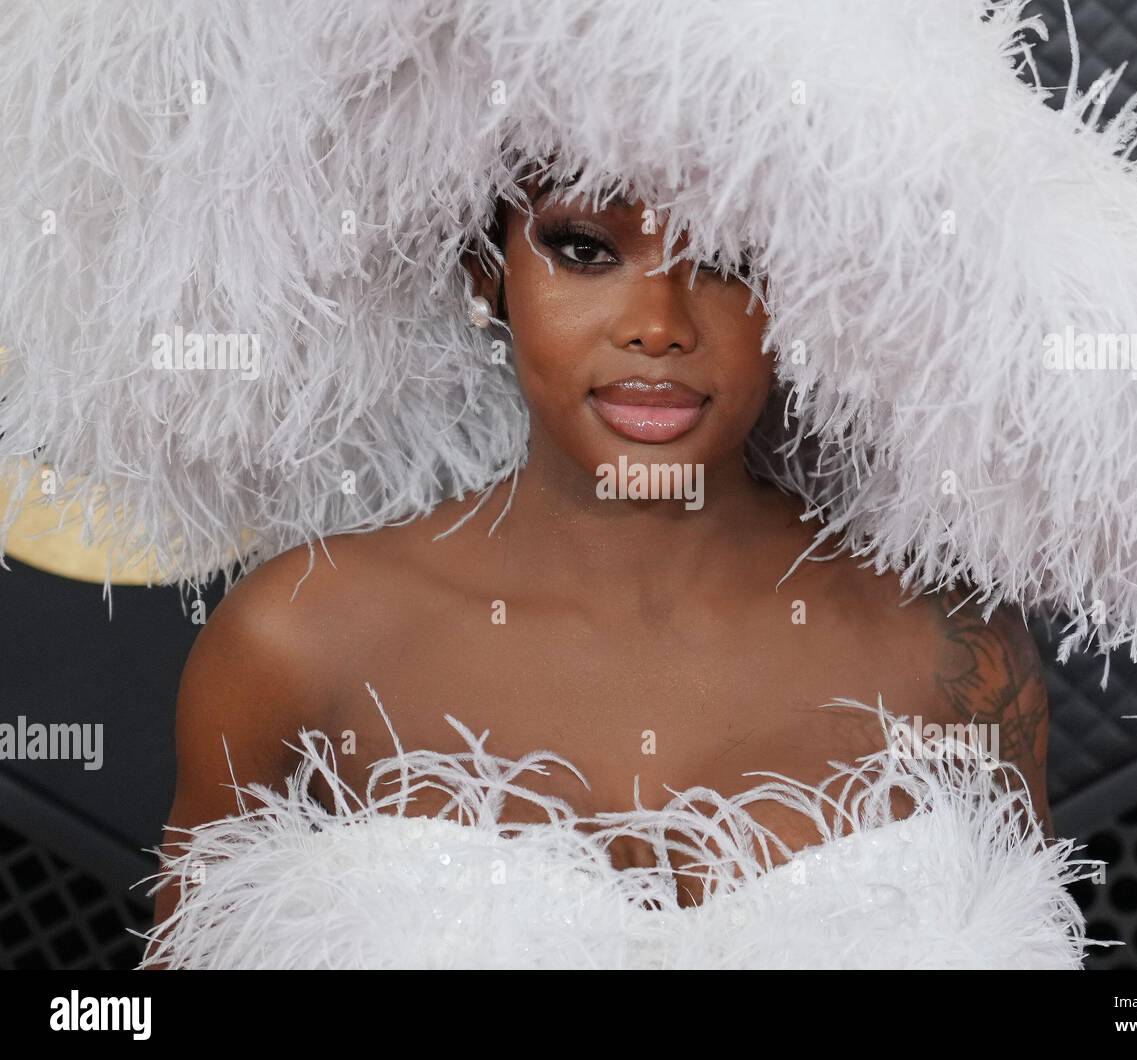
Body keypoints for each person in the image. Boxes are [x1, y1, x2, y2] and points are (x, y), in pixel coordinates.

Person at [146, 172, 1056, 947]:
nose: (658, 325)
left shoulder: (950, 649)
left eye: (729, 257)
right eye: (585, 249)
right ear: (487, 276)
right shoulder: (299, 640)